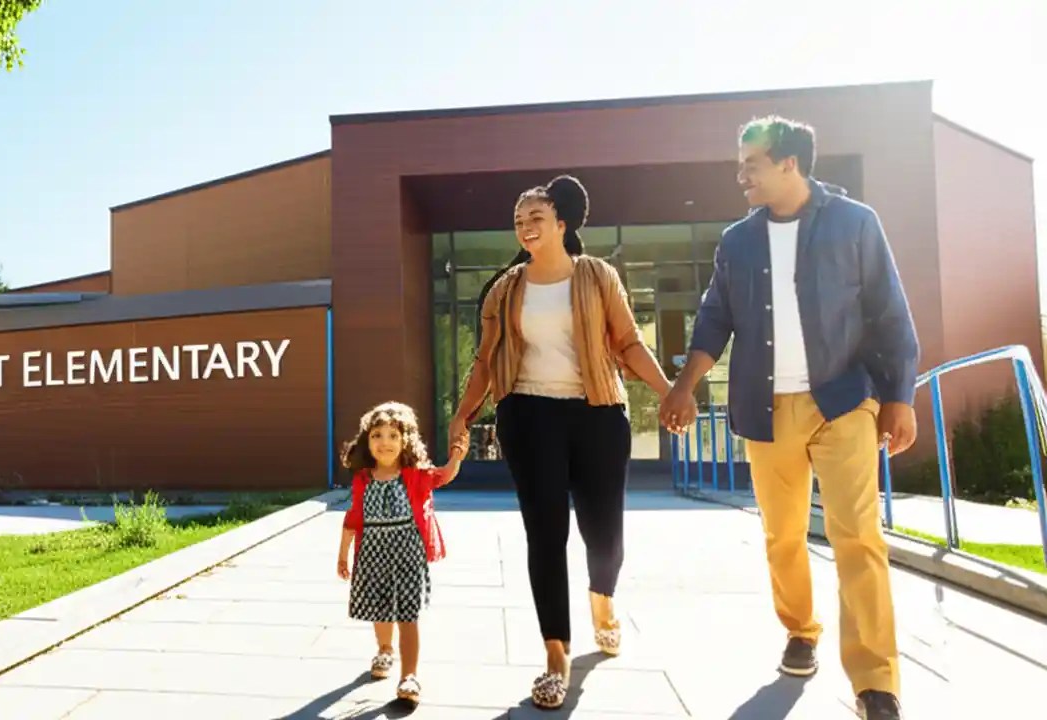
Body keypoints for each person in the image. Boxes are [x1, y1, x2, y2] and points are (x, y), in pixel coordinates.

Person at [659, 115, 918, 720]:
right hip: (767, 407)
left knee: (858, 536)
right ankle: (802, 631)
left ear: (789, 164)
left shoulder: (856, 223)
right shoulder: (737, 241)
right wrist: (684, 387)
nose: (741, 173)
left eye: (751, 162)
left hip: (844, 400)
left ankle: (875, 682)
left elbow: (889, 311)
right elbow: (714, 318)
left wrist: (899, 395)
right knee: (783, 536)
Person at [447, 176, 672, 710]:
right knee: (545, 535)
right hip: (528, 414)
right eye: (519, 221)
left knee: (604, 534)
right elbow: (484, 361)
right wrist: (462, 415)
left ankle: (603, 600)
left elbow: (629, 343)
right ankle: (556, 655)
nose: (525, 228)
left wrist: (669, 391)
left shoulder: (596, 276)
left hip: (596, 413)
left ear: (562, 224)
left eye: (536, 219)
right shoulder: (506, 289)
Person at [337, 401, 468, 707]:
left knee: (408, 614)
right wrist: (343, 555)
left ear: (405, 440)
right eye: (377, 435)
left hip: (408, 552)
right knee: (380, 609)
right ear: (367, 441)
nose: (384, 442)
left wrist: (457, 457)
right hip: (373, 553)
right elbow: (353, 519)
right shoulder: (363, 479)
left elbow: (444, 475)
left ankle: (409, 676)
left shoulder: (415, 475)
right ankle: (385, 650)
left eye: (393, 436)